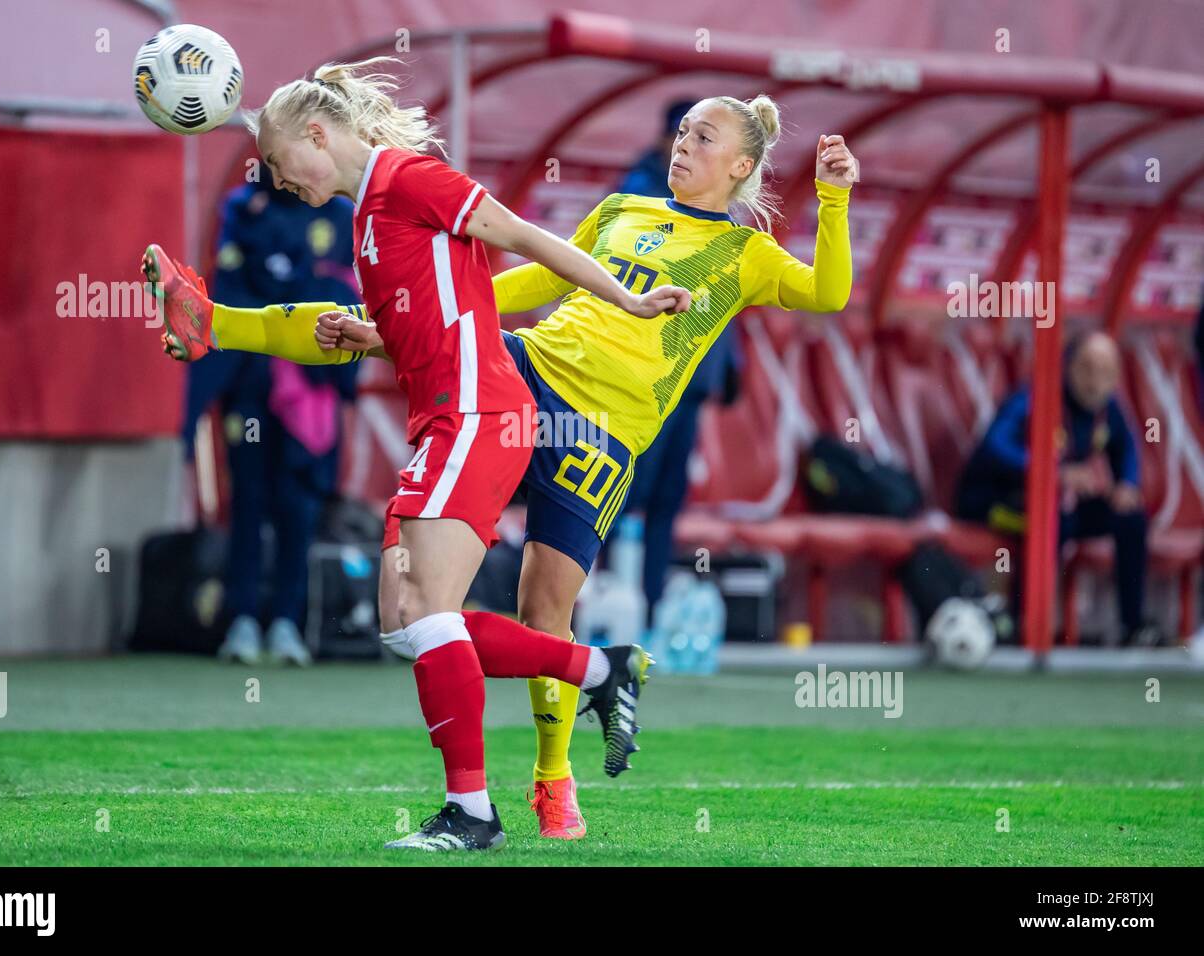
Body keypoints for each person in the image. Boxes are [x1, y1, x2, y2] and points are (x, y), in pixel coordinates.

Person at [142, 57, 689, 852]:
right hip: (445, 423)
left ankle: (471, 811)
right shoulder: (367, 220)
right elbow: (414, 323)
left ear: (319, 135)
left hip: (480, 414)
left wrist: (629, 299)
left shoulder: (407, 179)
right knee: (406, 623)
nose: (275, 180)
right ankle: (602, 672)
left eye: (276, 161)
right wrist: (331, 331)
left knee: (427, 612)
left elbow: (521, 236)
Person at [321, 96, 857, 836]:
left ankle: (552, 777)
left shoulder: (747, 255)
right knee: (425, 584)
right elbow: (534, 286)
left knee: (545, 609)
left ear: (739, 167)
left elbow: (829, 293)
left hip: (602, 433)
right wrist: (392, 329)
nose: (683, 146)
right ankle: (224, 326)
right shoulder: (618, 211)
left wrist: (833, 198)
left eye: (704, 138)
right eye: (680, 132)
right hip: (528, 372)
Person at [184, 174, 361, 667]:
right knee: (248, 502)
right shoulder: (246, 207)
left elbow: (342, 293)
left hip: (312, 391)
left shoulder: (340, 214)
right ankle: (241, 620)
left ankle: (287, 622)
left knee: (298, 507)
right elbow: (232, 294)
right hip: (251, 386)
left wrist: (293, 292)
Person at [604, 98, 744, 629]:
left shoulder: (720, 208)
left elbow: (729, 291)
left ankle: (648, 616)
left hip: (690, 381)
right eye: (691, 136)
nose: (694, 148)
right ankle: (598, 610)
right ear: (669, 140)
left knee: (665, 502)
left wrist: (727, 366)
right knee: (618, 493)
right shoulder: (634, 198)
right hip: (640, 377)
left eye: (708, 139)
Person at [955, 330, 1163, 647]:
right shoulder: (1035, 398)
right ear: (1067, 366)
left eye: (1107, 373)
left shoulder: (1108, 408)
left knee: (1130, 518)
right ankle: (1021, 624)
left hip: (1053, 504)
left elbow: (1127, 448)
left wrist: (1127, 485)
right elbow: (993, 447)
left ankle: (1133, 626)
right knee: (1050, 521)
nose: (1096, 382)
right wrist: (1052, 472)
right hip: (992, 503)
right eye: (1087, 369)